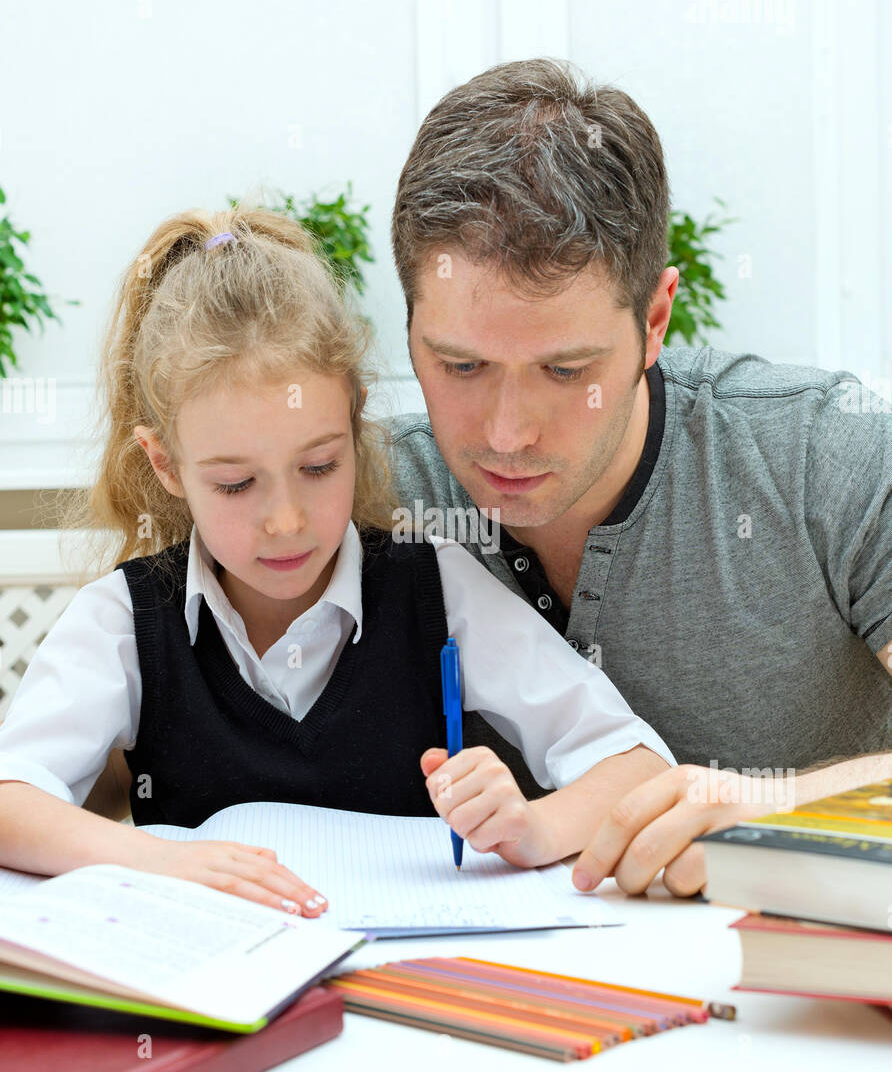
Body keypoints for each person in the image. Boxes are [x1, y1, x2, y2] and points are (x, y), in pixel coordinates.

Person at [0, 208, 676, 915]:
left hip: (413, 988)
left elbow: (634, 766)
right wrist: (160, 861)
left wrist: (534, 827)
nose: (286, 520)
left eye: (319, 466)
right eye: (235, 484)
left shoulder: (437, 586)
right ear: (166, 465)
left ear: (355, 421)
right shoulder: (124, 619)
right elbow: (11, 796)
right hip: (217, 1000)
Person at [386, 56, 892, 899]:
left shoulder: (821, 457)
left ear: (655, 319)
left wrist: (773, 809)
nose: (506, 435)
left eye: (564, 370)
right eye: (462, 365)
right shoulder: (357, 495)